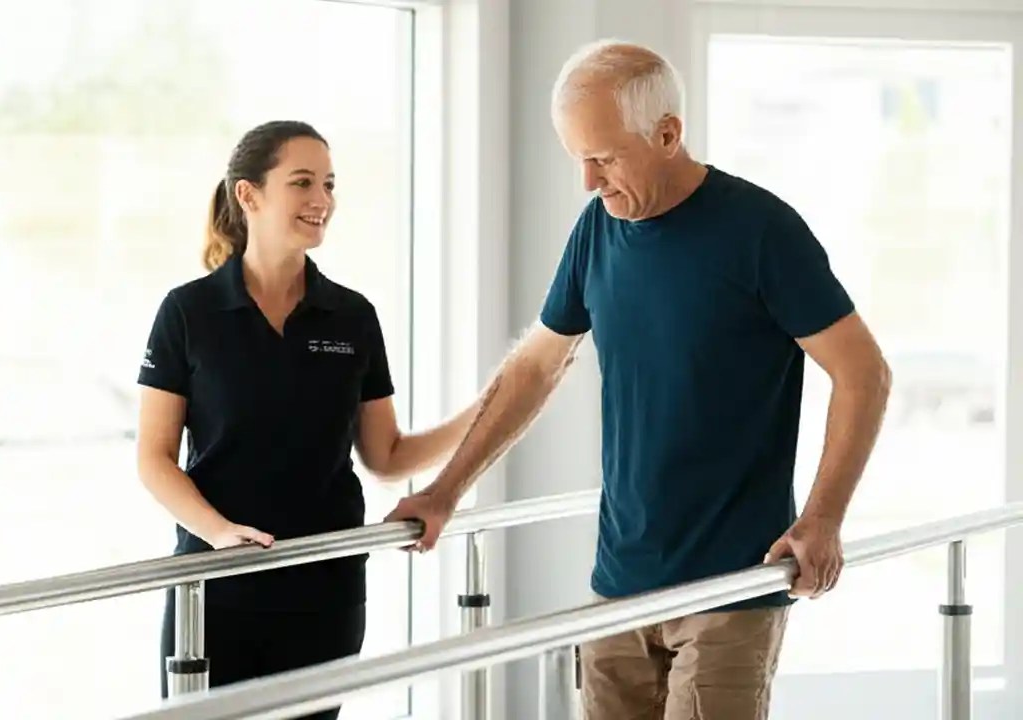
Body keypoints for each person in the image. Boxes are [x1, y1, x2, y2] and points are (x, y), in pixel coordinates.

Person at [385, 40, 892, 719]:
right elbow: (537, 365)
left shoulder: (760, 231)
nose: (588, 182)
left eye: (605, 157)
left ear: (668, 134)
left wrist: (822, 519)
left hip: (731, 590)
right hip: (618, 586)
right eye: (578, 159)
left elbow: (864, 372)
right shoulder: (597, 229)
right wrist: (446, 491)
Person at [135, 120, 476, 718]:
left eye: (329, 184)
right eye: (302, 182)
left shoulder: (352, 316)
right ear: (249, 194)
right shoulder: (189, 312)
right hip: (216, 591)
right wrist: (218, 533)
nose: (322, 200)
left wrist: (483, 415)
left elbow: (387, 455)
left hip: (326, 593)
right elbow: (154, 458)